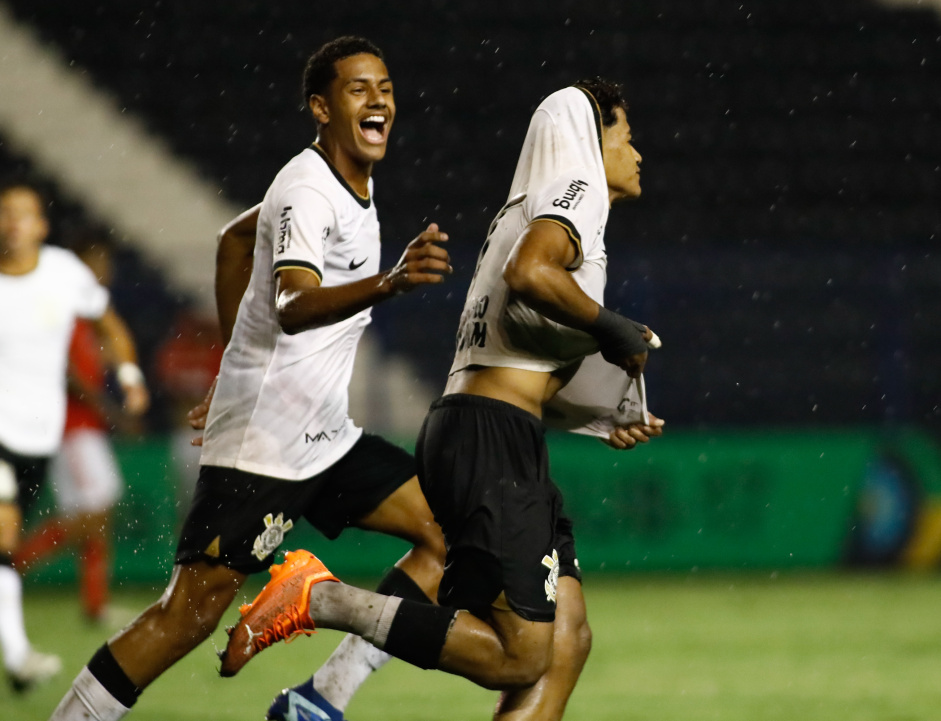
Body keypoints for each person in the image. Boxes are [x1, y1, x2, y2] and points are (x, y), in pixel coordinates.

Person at [220, 78, 664, 721]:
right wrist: (613, 326)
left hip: (489, 429)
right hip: (492, 441)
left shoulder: (523, 209)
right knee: (520, 656)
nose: (638, 151)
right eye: (626, 134)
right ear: (590, 143)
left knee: (567, 637)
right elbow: (531, 273)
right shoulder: (578, 194)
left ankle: (323, 672)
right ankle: (322, 599)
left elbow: (519, 356)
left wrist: (601, 415)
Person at [48, 35, 453, 721]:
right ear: (320, 108)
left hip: (324, 435)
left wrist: (238, 356)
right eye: (358, 88)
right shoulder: (307, 187)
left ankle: (321, 699)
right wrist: (387, 283)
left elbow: (232, 240)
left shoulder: (349, 179)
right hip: (264, 444)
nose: (378, 97)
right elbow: (293, 302)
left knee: (447, 532)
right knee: (188, 615)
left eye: (383, 85)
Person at [0, 183, 149, 693]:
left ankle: (59, 601)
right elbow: (74, 375)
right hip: (43, 432)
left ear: (41, 227)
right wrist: (107, 406)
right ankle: (25, 646)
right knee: (24, 526)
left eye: (24, 214)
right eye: (6, 214)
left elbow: (109, 328)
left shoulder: (65, 280)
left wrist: (128, 376)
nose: (13, 223)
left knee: (39, 531)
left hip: (41, 436)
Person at [13, 230, 150, 624]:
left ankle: (94, 603)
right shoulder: (64, 310)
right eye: (96, 263)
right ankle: (13, 565)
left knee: (95, 516)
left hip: (79, 426)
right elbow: (68, 374)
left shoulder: (87, 318)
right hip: (69, 427)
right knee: (94, 513)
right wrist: (113, 411)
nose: (102, 272)